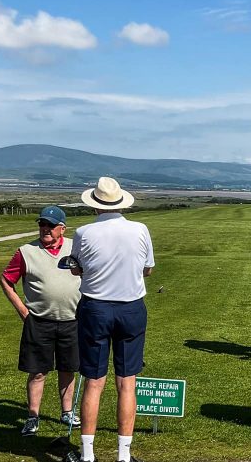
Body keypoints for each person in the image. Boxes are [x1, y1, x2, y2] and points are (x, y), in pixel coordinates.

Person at [66, 177, 154, 462]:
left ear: (95, 205)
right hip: (130, 309)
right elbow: (148, 269)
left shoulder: (83, 232)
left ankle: (88, 455)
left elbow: (77, 268)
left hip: (95, 308)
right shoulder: (140, 229)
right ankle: (124, 456)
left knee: (93, 381)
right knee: (127, 383)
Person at [0, 206, 81, 436]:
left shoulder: (76, 247)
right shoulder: (26, 251)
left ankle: (67, 412)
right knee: (37, 372)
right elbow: (6, 280)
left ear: (62, 228)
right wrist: (23, 312)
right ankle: (33, 416)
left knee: (68, 368)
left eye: (51, 225)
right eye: (42, 224)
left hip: (72, 319)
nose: (45, 229)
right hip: (38, 321)